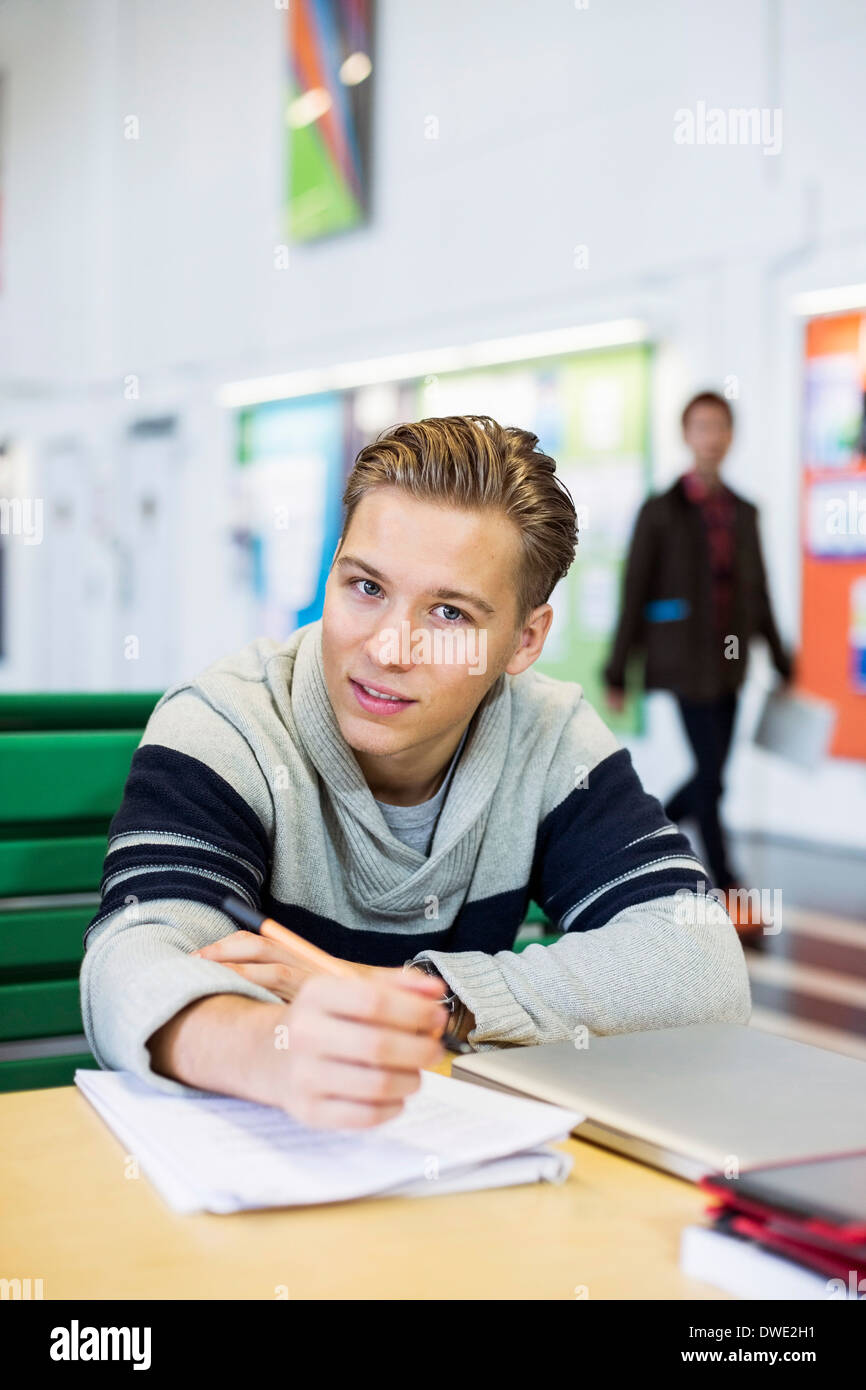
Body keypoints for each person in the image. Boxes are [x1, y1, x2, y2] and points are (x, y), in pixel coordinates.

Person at [81, 415, 750, 1131]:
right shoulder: (229, 721)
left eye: (450, 612)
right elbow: (136, 956)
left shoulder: (550, 737)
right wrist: (277, 1049)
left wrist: (419, 997)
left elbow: (702, 960)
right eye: (366, 587)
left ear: (524, 641)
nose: (388, 649)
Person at [603, 392, 793, 935]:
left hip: (731, 664)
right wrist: (620, 671)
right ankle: (729, 890)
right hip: (684, 665)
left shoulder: (744, 512)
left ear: (731, 436)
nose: (712, 436)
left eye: (721, 426)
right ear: (687, 435)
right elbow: (634, 590)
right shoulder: (660, 510)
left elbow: (758, 593)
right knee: (712, 777)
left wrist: (779, 658)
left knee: (714, 778)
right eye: (702, 426)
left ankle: (640, 839)